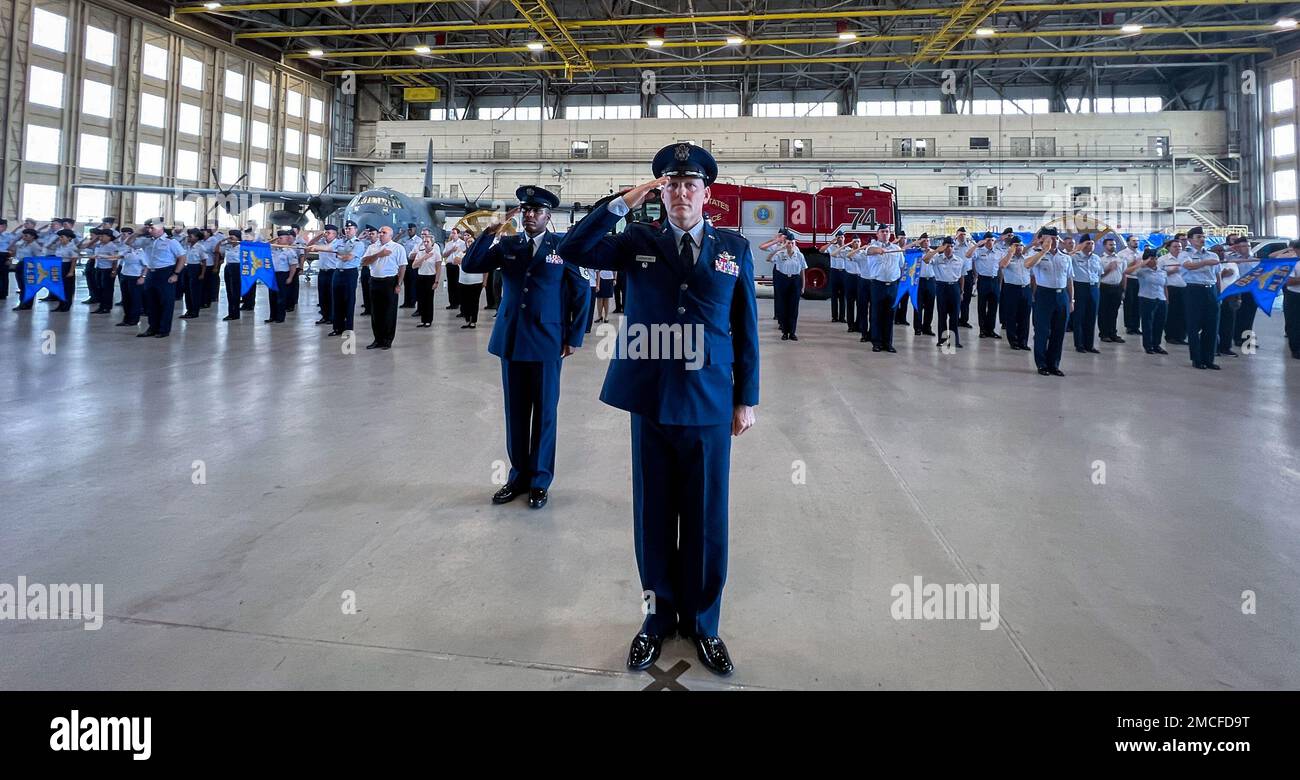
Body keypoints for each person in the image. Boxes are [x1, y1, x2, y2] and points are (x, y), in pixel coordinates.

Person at [557, 143, 759, 677]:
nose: (681, 193)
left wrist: (747, 397)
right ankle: (655, 618)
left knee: (707, 517)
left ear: (707, 193)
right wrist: (622, 201)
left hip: (711, 401)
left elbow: (746, 329)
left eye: (690, 185)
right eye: (671, 185)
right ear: (659, 193)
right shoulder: (636, 241)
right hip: (650, 395)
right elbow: (574, 248)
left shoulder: (733, 247)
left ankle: (704, 624)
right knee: (653, 515)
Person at [462, 185, 590, 510]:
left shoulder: (562, 246)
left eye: (536, 210)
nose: (530, 215)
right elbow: (471, 265)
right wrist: (489, 231)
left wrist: (574, 337)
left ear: (549, 215)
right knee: (516, 413)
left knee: (545, 413)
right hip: (512, 339)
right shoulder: (508, 244)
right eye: (526, 210)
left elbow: (582, 292)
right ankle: (518, 476)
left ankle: (540, 480)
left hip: (548, 342)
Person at [1024, 230, 1073, 376]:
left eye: (1056, 238)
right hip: (1044, 295)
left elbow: (1070, 279)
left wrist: (1072, 300)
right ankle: (1041, 364)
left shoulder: (1065, 257)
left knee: (1058, 333)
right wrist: (1043, 251)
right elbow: (1027, 264)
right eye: (1050, 238)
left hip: (1062, 295)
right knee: (1042, 331)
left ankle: (1054, 364)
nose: (1054, 240)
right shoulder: (1037, 254)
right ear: (1043, 239)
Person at [1178, 226, 1222, 370]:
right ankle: (1197, 359)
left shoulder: (1212, 255)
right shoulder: (1185, 254)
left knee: (1212, 325)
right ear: (1190, 240)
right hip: (1194, 290)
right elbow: (1189, 266)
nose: (1202, 239)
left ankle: (1209, 358)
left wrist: (1219, 294)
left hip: (1211, 290)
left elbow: (1217, 276)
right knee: (1194, 325)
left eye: (1203, 236)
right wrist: (1205, 263)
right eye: (1198, 237)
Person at [361, 225, 407, 349]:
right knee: (376, 313)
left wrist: (399, 284)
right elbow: (364, 262)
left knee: (389, 312)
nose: (381, 234)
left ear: (390, 235)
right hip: (375, 281)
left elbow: (402, 266)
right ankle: (377, 339)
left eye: (384, 232)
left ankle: (387, 340)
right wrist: (379, 254)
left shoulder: (398, 248)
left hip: (390, 282)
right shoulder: (372, 247)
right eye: (380, 232)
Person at [139, 221, 186, 337]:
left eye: (152, 228)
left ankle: (164, 329)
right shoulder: (147, 241)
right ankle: (152, 328)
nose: (149, 230)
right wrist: (137, 233)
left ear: (161, 229)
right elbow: (129, 243)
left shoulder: (171, 242)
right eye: (148, 228)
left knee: (166, 302)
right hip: (151, 273)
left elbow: (182, 257)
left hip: (165, 273)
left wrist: (175, 274)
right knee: (151, 302)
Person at [762, 228, 806, 341]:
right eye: (788, 243)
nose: (790, 245)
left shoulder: (799, 255)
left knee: (794, 307)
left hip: (795, 281)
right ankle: (784, 332)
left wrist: (803, 286)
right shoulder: (780, 253)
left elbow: (802, 271)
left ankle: (792, 332)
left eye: (792, 243)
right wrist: (779, 247)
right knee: (783, 306)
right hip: (783, 280)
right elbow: (768, 258)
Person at [923, 237, 964, 350]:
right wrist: (936, 250)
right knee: (942, 315)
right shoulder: (937, 258)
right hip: (941, 287)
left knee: (954, 316)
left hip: (954, 288)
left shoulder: (959, 260)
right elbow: (925, 260)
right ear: (943, 247)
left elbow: (961, 277)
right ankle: (942, 340)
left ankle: (954, 340)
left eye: (951, 246)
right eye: (946, 246)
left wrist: (961, 291)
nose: (949, 249)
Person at [866, 228, 903, 353]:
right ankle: (876, 343)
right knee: (876, 314)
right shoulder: (872, 246)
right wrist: (879, 250)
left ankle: (888, 343)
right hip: (878, 285)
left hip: (892, 285)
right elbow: (869, 251)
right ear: (877, 234)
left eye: (887, 231)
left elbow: (902, 265)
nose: (885, 233)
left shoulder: (896, 248)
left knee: (890, 315)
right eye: (882, 231)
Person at [1129, 248, 1169, 355]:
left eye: (1156, 258)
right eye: (1152, 259)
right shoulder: (1141, 271)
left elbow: (1165, 286)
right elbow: (1127, 271)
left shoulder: (1162, 271)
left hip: (1161, 299)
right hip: (1146, 298)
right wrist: (1143, 263)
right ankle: (1148, 345)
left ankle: (1157, 345)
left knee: (1159, 323)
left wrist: (1166, 300)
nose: (1155, 261)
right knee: (1147, 323)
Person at [998, 235, 1032, 350]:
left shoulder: (1027, 258)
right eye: (1016, 245)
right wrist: (1010, 253)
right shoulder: (1006, 257)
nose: (1019, 248)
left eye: (1020, 245)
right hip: (1012, 289)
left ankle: (1023, 341)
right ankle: (1013, 341)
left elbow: (1032, 276)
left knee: (1025, 317)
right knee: (1011, 316)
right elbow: (1002, 265)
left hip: (1026, 289)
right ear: (1011, 247)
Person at [1070, 234, 1103, 353]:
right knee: (1079, 316)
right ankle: (1079, 344)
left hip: (1093, 287)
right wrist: (1076, 249)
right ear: (1082, 244)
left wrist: (1096, 288)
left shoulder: (1096, 258)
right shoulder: (1074, 257)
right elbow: (1064, 259)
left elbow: (1099, 274)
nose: (1091, 245)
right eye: (1087, 243)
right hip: (1080, 287)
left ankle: (1089, 344)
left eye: (1092, 243)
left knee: (1091, 316)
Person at [330, 221, 362, 337]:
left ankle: (348, 328)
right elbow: (328, 248)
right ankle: (337, 327)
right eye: (346, 229)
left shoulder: (358, 244)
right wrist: (314, 247)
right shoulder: (340, 242)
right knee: (336, 301)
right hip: (338, 272)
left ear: (355, 230)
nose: (347, 231)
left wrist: (337, 255)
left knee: (348, 300)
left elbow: (348, 258)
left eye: (350, 229)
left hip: (350, 273)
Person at [1226, 236, 1258, 348]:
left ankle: (1247, 339)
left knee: (1250, 315)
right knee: (1238, 314)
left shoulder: (1254, 258)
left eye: (1248, 246)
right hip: (1238, 289)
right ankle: (1237, 338)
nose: (1247, 248)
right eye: (1243, 246)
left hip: (1252, 289)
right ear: (1237, 248)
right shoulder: (1231, 258)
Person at [305, 226, 340, 327]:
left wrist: (318, 247)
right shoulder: (322, 242)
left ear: (334, 234)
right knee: (322, 295)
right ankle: (324, 316)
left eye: (328, 233)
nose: (326, 235)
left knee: (331, 295)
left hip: (332, 271)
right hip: (322, 271)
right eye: (326, 232)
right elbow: (309, 244)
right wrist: (319, 235)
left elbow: (329, 249)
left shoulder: (337, 243)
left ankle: (332, 317)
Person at [970, 232, 1002, 339]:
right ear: (984, 241)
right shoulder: (978, 251)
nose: (990, 242)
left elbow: (1001, 268)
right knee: (982, 306)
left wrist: (1000, 283)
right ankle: (982, 330)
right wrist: (977, 245)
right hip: (983, 281)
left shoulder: (998, 252)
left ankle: (991, 330)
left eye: (992, 240)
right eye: (988, 240)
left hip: (995, 281)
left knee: (993, 307)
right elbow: (968, 255)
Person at [451, 231, 484, 329]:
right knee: (465, 302)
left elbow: (484, 268)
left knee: (474, 302)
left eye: (471, 242)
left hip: (476, 282)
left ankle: (473, 321)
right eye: (468, 242)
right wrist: (467, 261)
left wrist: (485, 281)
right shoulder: (462, 253)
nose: (469, 243)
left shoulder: (479, 254)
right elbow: (454, 261)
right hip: (463, 281)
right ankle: (467, 319)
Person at [1097, 237, 1126, 343]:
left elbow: (1124, 274)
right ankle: (1104, 334)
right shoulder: (1100, 260)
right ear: (1105, 246)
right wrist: (1108, 268)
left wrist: (1123, 290)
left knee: (1114, 312)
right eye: (1110, 244)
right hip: (1104, 287)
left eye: (1114, 244)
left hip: (1117, 287)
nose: (1113, 246)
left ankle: (1113, 333)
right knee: (1103, 311)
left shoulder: (1120, 259)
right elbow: (1098, 276)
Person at [266, 230, 299, 324]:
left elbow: (293, 266)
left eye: (281, 238)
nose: (279, 240)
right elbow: (264, 245)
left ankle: (280, 317)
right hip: (273, 275)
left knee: (281, 297)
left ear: (287, 239)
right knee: (272, 296)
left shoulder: (290, 251)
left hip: (282, 275)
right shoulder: (274, 248)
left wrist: (290, 278)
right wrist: (275, 239)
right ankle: (272, 316)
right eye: (278, 238)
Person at [411, 231, 442, 327]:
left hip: (430, 277)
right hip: (421, 277)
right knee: (421, 299)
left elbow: (438, 269)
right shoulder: (420, 253)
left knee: (428, 300)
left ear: (432, 243)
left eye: (427, 241)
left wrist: (436, 281)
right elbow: (414, 266)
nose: (425, 243)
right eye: (424, 241)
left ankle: (428, 320)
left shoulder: (436, 254)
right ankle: (423, 319)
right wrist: (424, 257)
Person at [1215, 244, 1241, 358]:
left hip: (1230, 297)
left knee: (1229, 323)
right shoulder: (1212, 264)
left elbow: (1238, 281)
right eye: (1217, 251)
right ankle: (1214, 347)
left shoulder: (1232, 264)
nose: (1220, 253)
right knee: (1214, 324)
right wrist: (1222, 274)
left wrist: (1239, 297)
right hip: (1216, 296)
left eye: (1222, 250)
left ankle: (1226, 347)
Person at [113, 234, 145, 327]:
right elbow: (117, 257)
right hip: (125, 276)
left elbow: (146, 266)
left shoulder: (141, 252)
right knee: (126, 299)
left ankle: (134, 319)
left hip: (135, 277)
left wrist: (143, 277)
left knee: (135, 299)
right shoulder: (126, 251)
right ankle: (126, 319)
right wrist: (101, 256)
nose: (130, 242)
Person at [49, 230, 81, 312]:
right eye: (60, 237)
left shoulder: (72, 247)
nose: (60, 239)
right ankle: (60, 304)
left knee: (67, 288)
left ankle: (66, 305)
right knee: (60, 287)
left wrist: (71, 271)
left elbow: (74, 260)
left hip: (67, 266)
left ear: (69, 238)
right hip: (59, 266)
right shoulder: (60, 246)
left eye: (62, 237)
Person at [89, 229, 120, 314]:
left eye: (103, 236)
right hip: (99, 268)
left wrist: (114, 271)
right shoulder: (99, 245)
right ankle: (101, 306)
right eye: (100, 236)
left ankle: (107, 307)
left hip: (108, 269)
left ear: (109, 237)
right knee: (100, 288)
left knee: (107, 289)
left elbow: (115, 259)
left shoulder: (112, 246)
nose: (100, 238)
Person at [912, 233, 936, 337]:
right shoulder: (915, 252)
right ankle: (917, 328)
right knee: (918, 305)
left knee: (930, 306)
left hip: (931, 280)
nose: (926, 242)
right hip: (919, 281)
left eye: (927, 241)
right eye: (924, 241)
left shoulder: (934, 252)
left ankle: (927, 327)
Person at [179, 229, 207, 319]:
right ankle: (189, 310)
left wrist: (202, 274)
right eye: (189, 235)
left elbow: (204, 262)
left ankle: (195, 311)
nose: (189, 237)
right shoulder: (186, 246)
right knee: (187, 290)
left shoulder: (200, 247)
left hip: (195, 268)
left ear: (197, 237)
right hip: (186, 268)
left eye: (191, 235)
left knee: (194, 291)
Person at [822, 232, 848, 323]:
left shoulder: (848, 248)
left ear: (844, 238)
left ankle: (842, 317)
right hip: (834, 272)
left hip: (844, 272)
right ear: (836, 238)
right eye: (838, 237)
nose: (840, 239)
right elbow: (821, 250)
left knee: (843, 296)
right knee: (834, 295)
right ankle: (834, 316)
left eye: (841, 237)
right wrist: (830, 242)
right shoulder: (832, 248)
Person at [1120, 235, 1143, 336]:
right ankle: (1129, 326)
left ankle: (1136, 326)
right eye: (1133, 241)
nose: (1136, 242)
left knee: (1137, 304)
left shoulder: (1141, 253)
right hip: (1128, 279)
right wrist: (1135, 263)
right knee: (1129, 303)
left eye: (1137, 241)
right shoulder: (1122, 254)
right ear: (1128, 242)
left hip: (1139, 279)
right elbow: (1122, 269)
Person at [218, 231, 242, 321]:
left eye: (233, 236)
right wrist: (224, 240)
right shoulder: (227, 246)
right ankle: (230, 312)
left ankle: (235, 313)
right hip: (228, 267)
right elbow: (217, 250)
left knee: (235, 291)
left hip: (237, 267)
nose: (231, 238)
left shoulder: (242, 247)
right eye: (230, 236)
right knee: (229, 291)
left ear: (238, 238)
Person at [954, 227, 975, 328]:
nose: (962, 236)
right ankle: (955, 319)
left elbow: (974, 261)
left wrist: (975, 275)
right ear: (956, 235)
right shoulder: (952, 246)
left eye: (964, 234)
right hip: (955, 275)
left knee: (966, 299)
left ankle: (964, 320)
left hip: (968, 274)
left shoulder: (971, 246)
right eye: (960, 234)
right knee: (955, 298)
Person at [442, 227, 465, 313]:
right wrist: (451, 250)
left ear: (458, 234)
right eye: (451, 233)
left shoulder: (462, 243)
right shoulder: (448, 244)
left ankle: (459, 302)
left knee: (457, 284)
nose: (452, 235)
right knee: (451, 285)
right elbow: (444, 254)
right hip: (450, 265)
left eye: (454, 233)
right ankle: (452, 303)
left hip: (458, 266)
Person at [400, 223, 421, 310]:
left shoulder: (418, 240)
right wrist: (400, 234)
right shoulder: (405, 239)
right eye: (408, 230)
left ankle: (412, 302)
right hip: (405, 263)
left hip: (413, 262)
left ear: (415, 229)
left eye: (411, 230)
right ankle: (406, 302)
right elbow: (394, 241)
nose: (409, 231)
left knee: (413, 283)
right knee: (407, 283)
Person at [842, 235, 861, 333]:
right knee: (850, 303)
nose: (856, 243)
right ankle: (850, 325)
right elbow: (833, 254)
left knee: (860, 303)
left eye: (858, 241)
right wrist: (847, 244)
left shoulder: (863, 253)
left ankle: (858, 324)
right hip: (850, 278)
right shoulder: (847, 252)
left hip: (860, 278)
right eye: (854, 242)